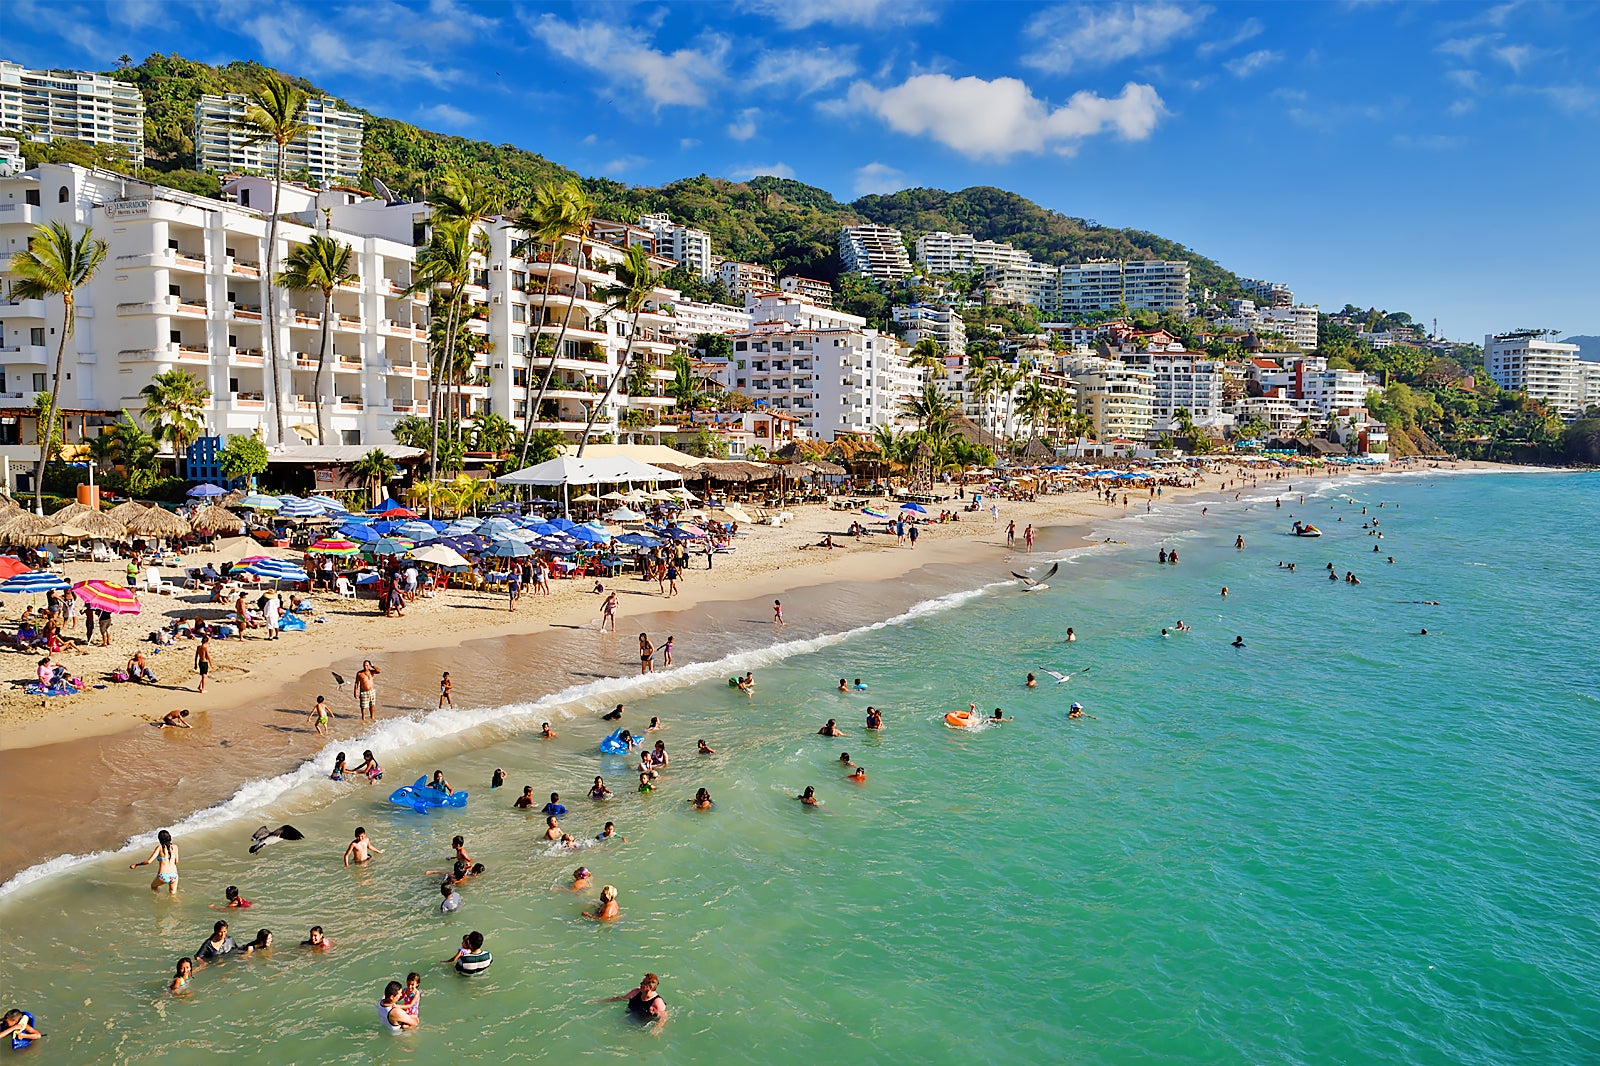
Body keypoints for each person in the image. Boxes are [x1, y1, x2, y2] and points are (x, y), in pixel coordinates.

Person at [601, 972, 668, 1034]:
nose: (640, 984)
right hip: (630, 1016)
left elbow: (664, 1018)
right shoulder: (636, 992)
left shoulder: (657, 1002)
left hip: (641, 1024)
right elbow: (622, 998)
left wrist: (655, 1029)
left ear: (650, 987)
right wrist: (601, 1001)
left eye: (643, 983)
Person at [131, 829, 178, 893]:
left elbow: (148, 861)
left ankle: (159, 899)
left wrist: (136, 864)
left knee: (153, 887)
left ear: (160, 839)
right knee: (173, 893)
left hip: (163, 875)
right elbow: (176, 862)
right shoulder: (175, 847)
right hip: (174, 875)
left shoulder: (159, 847)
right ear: (169, 837)